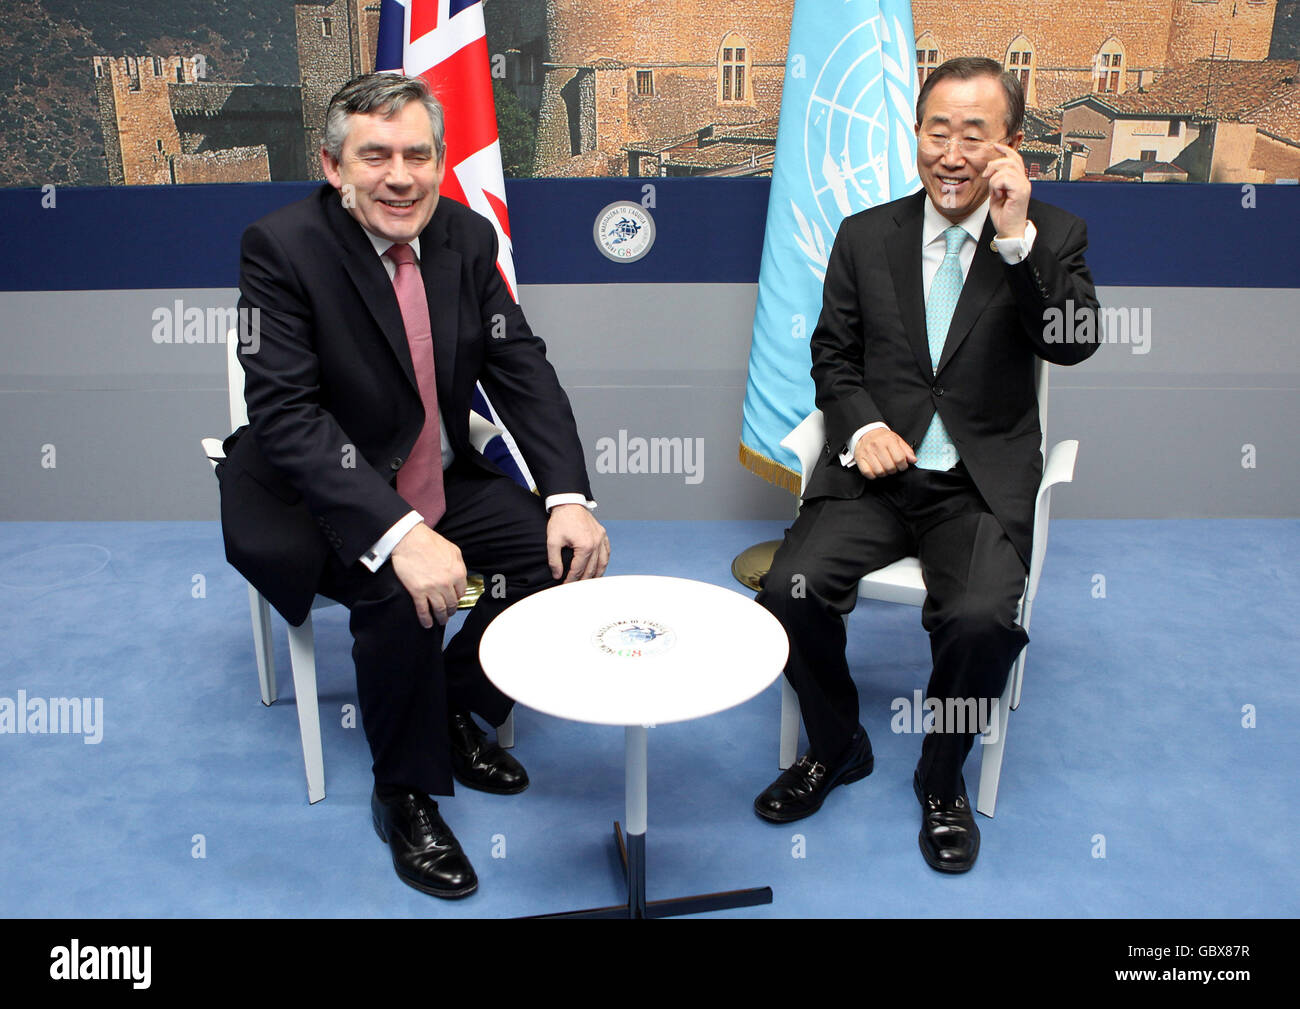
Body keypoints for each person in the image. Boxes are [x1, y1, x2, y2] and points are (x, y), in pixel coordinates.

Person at [219, 73, 609, 898]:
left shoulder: (465, 237)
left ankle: (447, 706)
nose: (400, 176)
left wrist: (568, 495)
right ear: (333, 166)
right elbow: (286, 417)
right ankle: (404, 791)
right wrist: (399, 533)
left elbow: (519, 367)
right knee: (402, 594)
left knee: (554, 560)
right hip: (317, 487)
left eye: (418, 155)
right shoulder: (280, 248)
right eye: (375, 156)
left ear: (439, 162)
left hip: (434, 466)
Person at [752, 57, 1100, 873]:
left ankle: (941, 774)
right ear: (915, 134)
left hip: (976, 487)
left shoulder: (1052, 235)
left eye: (973, 135)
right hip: (874, 478)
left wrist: (1017, 244)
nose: (950, 153)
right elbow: (832, 357)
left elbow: (1073, 341)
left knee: (981, 619)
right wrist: (862, 421)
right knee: (786, 590)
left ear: (1012, 146)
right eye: (936, 131)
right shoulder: (866, 234)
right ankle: (837, 744)